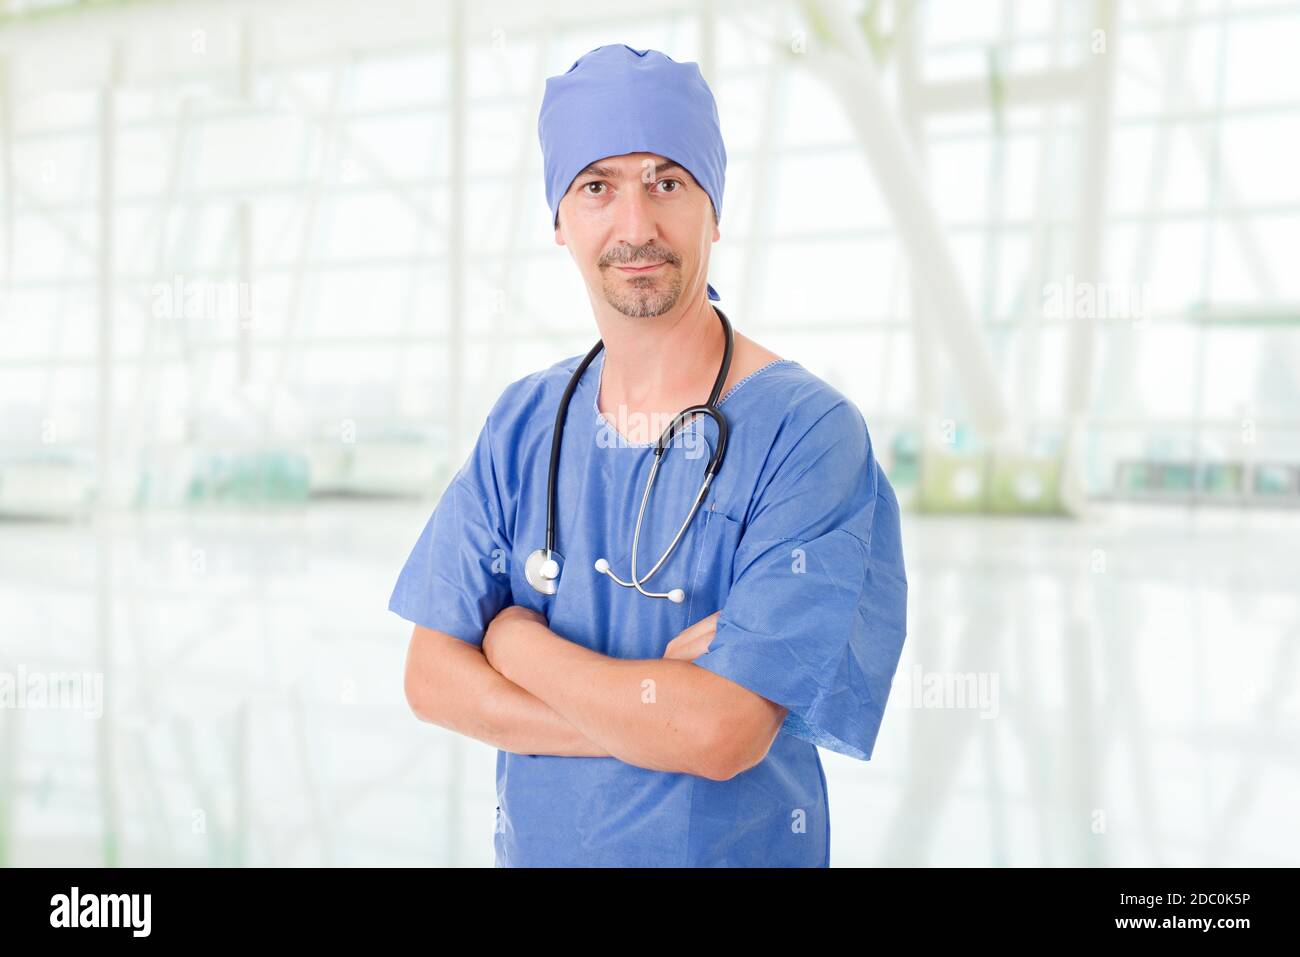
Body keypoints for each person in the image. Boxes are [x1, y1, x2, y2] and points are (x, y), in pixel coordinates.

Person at [389, 43, 908, 867]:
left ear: (714, 208)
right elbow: (430, 677)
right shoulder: (525, 423)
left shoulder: (807, 434)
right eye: (597, 186)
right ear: (559, 220)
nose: (636, 226)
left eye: (668, 181)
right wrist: (645, 715)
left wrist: (517, 645)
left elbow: (720, 730)